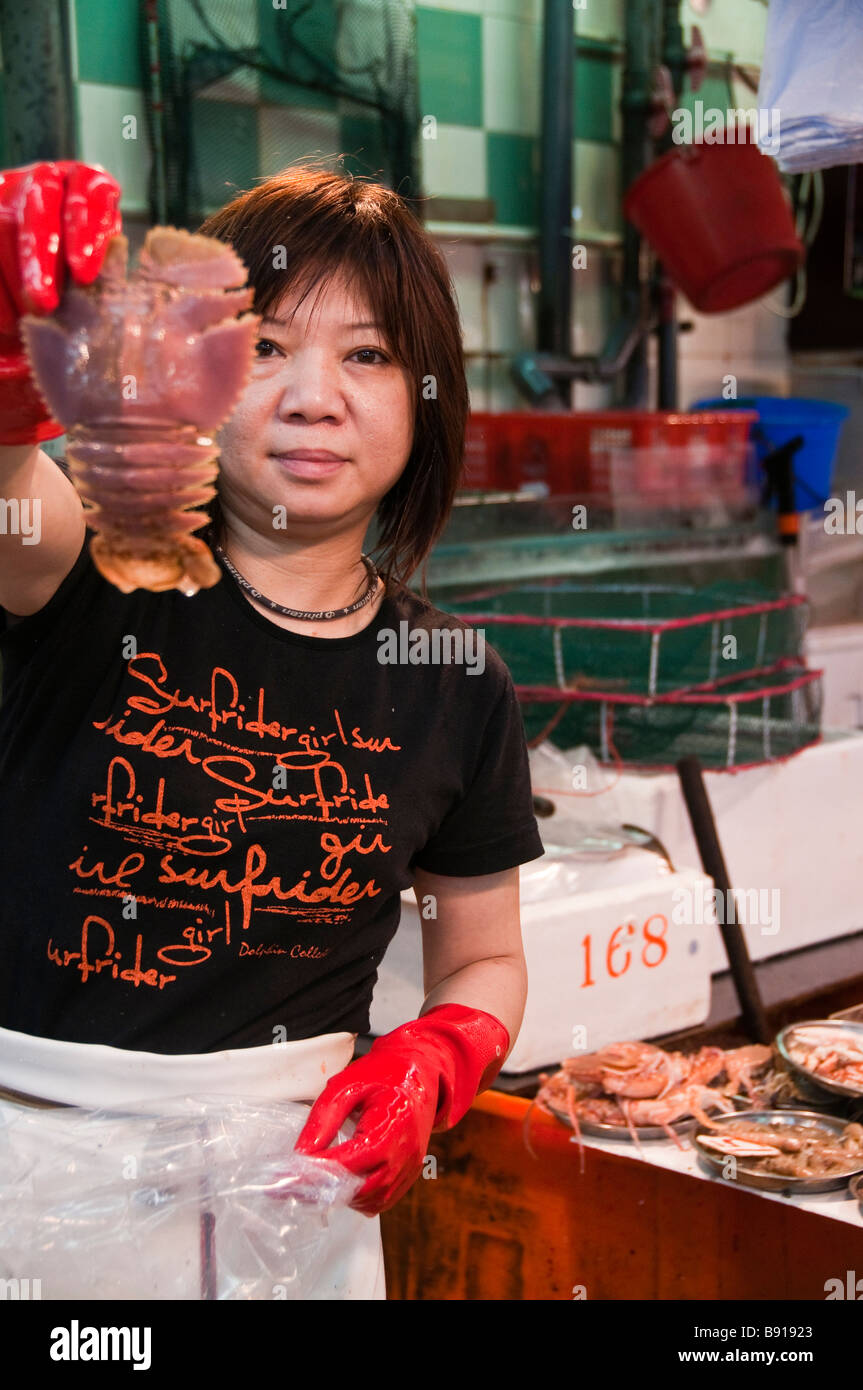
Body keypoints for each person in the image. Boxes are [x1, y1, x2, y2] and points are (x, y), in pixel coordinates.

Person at [0, 159, 545, 1298]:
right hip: (39, 1182)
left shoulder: (454, 681)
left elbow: (484, 955)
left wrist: (439, 1053)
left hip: (293, 1196)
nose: (313, 396)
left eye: (368, 355)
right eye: (262, 348)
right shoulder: (94, 564)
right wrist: (11, 372)